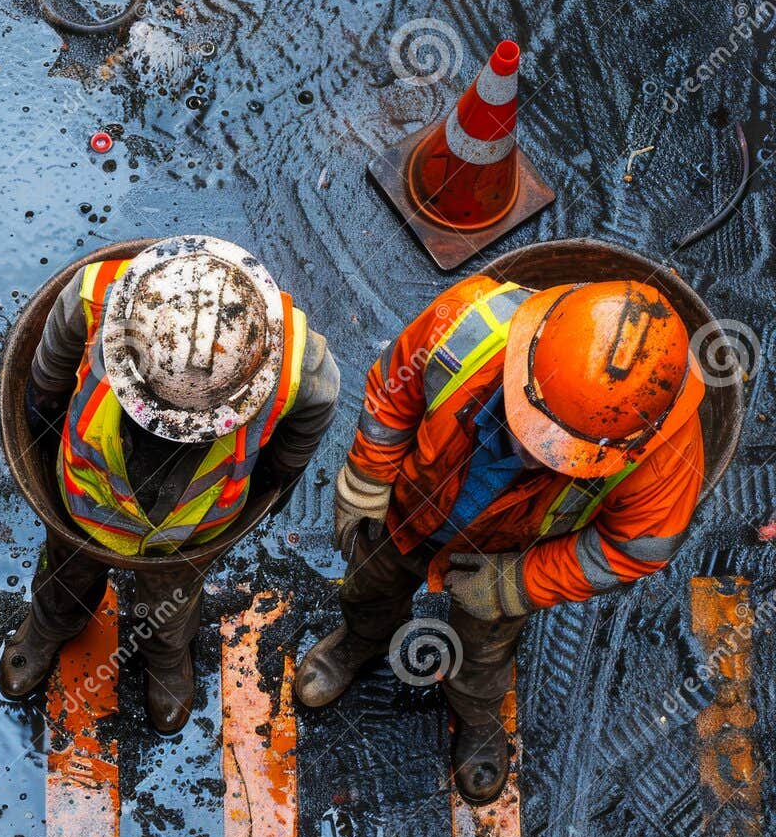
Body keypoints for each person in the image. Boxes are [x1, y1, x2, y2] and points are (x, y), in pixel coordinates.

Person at [295, 276, 706, 803]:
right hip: (409, 511)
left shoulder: (665, 454)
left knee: (484, 652)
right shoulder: (469, 321)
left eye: (564, 454)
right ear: (527, 358)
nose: (538, 456)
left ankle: (477, 713)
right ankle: (362, 639)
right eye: (534, 430)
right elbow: (393, 392)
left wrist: (519, 583)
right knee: (368, 589)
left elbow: (631, 550)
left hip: (508, 556)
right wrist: (368, 481)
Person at [0, 236, 340, 734]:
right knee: (65, 574)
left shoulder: (294, 358)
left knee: (170, 601)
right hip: (85, 506)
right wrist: (42, 411)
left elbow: (314, 411)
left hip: (189, 534)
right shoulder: (98, 295)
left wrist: (280, 470)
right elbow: (47, 374)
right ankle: (51, 625)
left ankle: (164, 654)